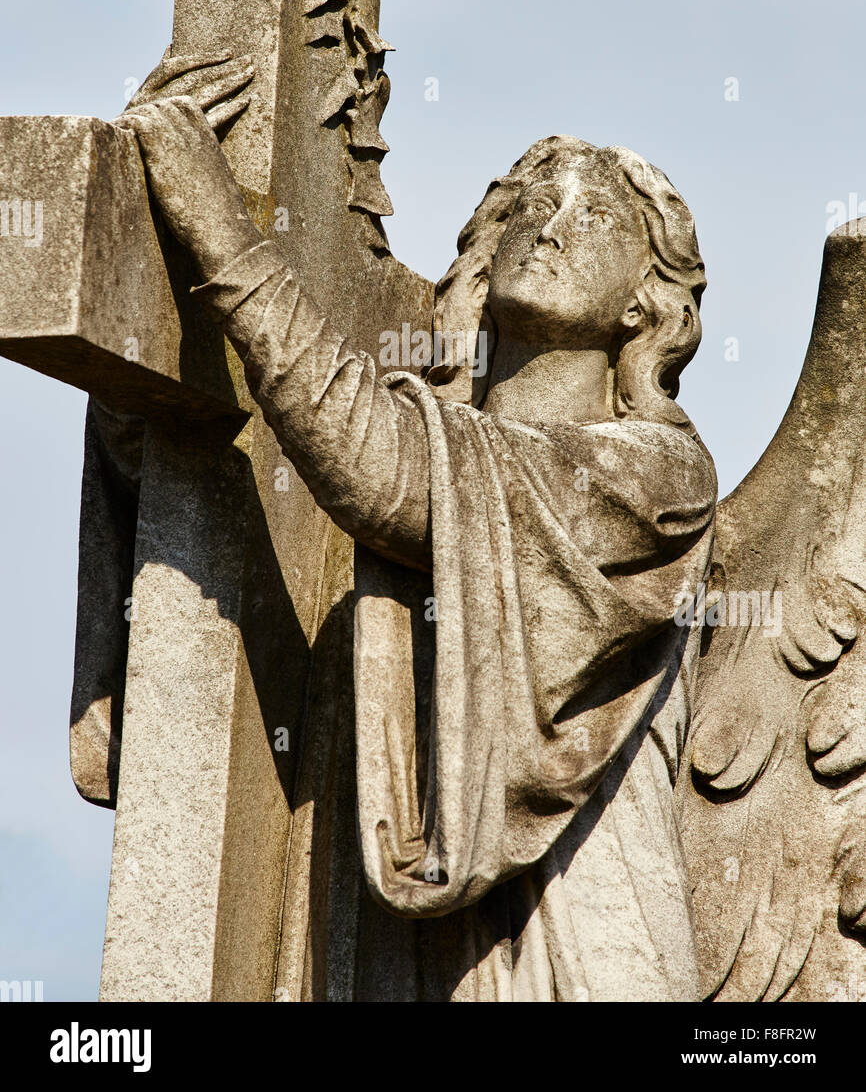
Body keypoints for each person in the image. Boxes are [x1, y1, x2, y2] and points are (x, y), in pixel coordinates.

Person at [119, 55, 716, 1001]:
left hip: (578, 944)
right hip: (383, 945)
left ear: (647, 303)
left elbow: (385, 473)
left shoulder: (659, 476)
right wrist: (140, 224)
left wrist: (216, 228)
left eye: (592, 216)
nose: (548, 228)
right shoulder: (436, 423)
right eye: (530, 208)